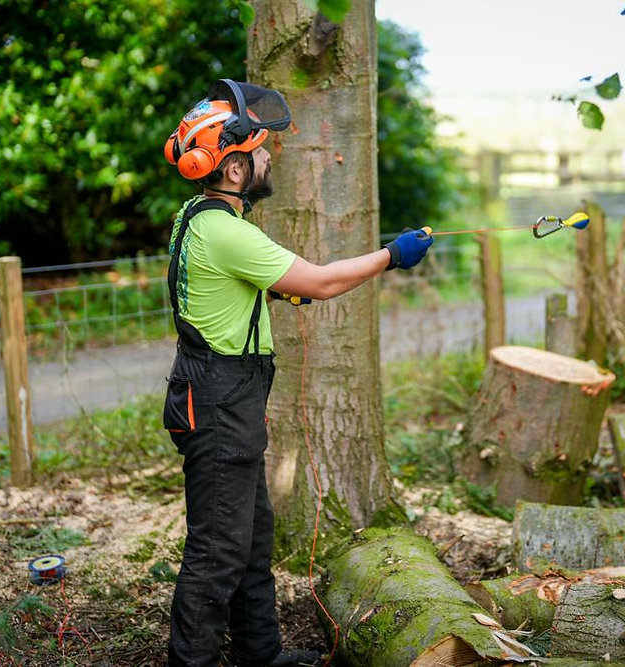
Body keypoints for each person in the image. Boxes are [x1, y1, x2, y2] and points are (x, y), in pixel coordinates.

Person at [161, 79, 433, 667]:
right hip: (219, 402)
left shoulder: (200, 218)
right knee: (216, 553)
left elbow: (227, 288)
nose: (267, 157)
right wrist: (392, 255)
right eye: (259, 150)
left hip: (223, 396)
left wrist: (282, 296)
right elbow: (325, 280)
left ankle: (260, 655)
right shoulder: (227, 231)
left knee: (252, 542)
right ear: (233, 169)